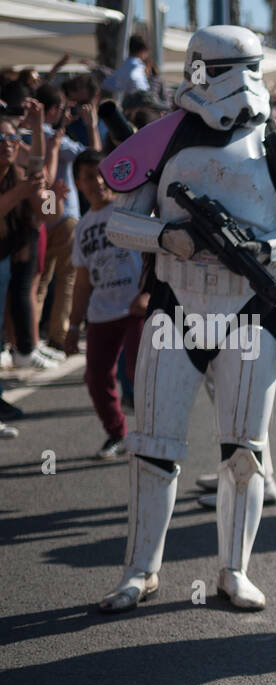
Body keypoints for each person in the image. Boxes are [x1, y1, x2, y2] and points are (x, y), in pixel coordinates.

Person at [97, 26, 276, 613]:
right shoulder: (162, 139)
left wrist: (266, 252)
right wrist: (166, 236)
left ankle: (233, 571)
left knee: (243, 452)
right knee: (153, 448)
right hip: (175, 309)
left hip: (251, 312)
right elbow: (117, 223)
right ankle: (140, 570)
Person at [65, 150, 146, 458]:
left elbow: (156, 257)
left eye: (100, 173)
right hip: (101, 312)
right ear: (78, 184)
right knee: (96, 376)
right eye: (87, 177)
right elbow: (82, 281)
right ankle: (116, 433)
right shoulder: (83, 226)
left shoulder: (130, 210)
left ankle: (154, 433)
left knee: (138, 370)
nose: (96, 181)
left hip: (135, 307)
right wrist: (72, 325)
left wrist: (148, 294)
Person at [0, 101, 61, 371]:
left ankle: (24, 350)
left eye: (13, 138)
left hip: (14, 252)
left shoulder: (19, 174)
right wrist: (21, 193)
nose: (9, 144)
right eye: (1, 139)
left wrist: (51, 198)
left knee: (24, 293)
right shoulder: (18, 184)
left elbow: (47, 213)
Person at [34, 83, 93, 357]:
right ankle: (58, 336)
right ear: (55, 110)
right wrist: (90, 126)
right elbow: (93, 154)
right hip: (64, 209)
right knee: (67, 279)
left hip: (41, 212)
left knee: (40, 280)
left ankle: (31, 337)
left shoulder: (26, 136)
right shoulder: (59, 141)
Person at [101, 35, 153, 99]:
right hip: (135, 102)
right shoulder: (137, 65)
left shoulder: (124, 64)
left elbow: (106, 83)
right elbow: (139, 83)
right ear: (142, 50)